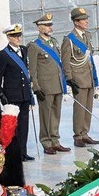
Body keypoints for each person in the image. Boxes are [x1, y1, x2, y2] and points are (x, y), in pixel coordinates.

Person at [0, 24, 37, 164]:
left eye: (19, 35)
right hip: (12, 96)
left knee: (24, 125)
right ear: (8, 37)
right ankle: (14, 153)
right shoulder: (3, 54)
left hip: (24, 94)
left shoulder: (24, 50)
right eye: (15, 36)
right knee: (12, 127)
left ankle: (23, 152)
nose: (18, 38)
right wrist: (1, 95)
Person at [28, 13, 68, 155]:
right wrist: (36, 86)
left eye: (50, 25)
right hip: (45, 87)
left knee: (56, 114)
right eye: (46, 25)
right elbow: (32, 69)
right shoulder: (34, 45)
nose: (50, 27)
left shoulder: (54, 42)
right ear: (39, 28)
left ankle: (55, 140)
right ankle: (46, 142)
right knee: (46, 115)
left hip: (57, 84)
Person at [62, 7, 99, 148]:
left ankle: (85, 133)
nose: (86, 21)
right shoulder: (69, 39)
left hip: (89, 77)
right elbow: (66, 60)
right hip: (78, 78)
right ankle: (78, 135)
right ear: (76, 22)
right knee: (79, 108)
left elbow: (88, 57)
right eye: (83, 20)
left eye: (86, 19)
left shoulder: (87, 36)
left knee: (88, 107)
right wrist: (69, 78)